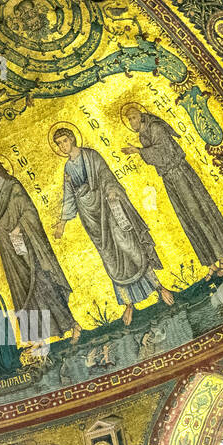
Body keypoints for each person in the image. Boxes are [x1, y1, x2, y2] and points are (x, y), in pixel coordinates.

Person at [51, 127, 170, 326]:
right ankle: (128, 303)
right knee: (111, 258)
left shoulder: (90, 156)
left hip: (108, 207)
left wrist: (112, 191)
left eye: (64, 141)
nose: (62, 146)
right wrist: (62, 223)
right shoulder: (67, 169)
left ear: (72, 139)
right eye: (58, 144)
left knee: (130, 246)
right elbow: (69, 196)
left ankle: (159, 287)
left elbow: (106, 176)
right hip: (91, 218)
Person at [120, 104, 223, 277]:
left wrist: (139, 151)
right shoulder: (143, 135)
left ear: (141, 116)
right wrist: (140, 151)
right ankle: (210, 262)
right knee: (186, 219)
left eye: (134, 117)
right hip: (169, 177)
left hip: (179, 173)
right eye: (129, 119)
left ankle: (222, 256)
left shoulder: (155, 128)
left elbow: (164, 153)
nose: (132, 122)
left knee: (198, 213)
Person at [0, 159, 77, 341]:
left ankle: (72, 325)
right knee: (20, 290)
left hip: (24, 243)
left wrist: (19, 227)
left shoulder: (13, 187)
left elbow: (29, 211)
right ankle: (37, 339)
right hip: (8, 250)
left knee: (40, 283)